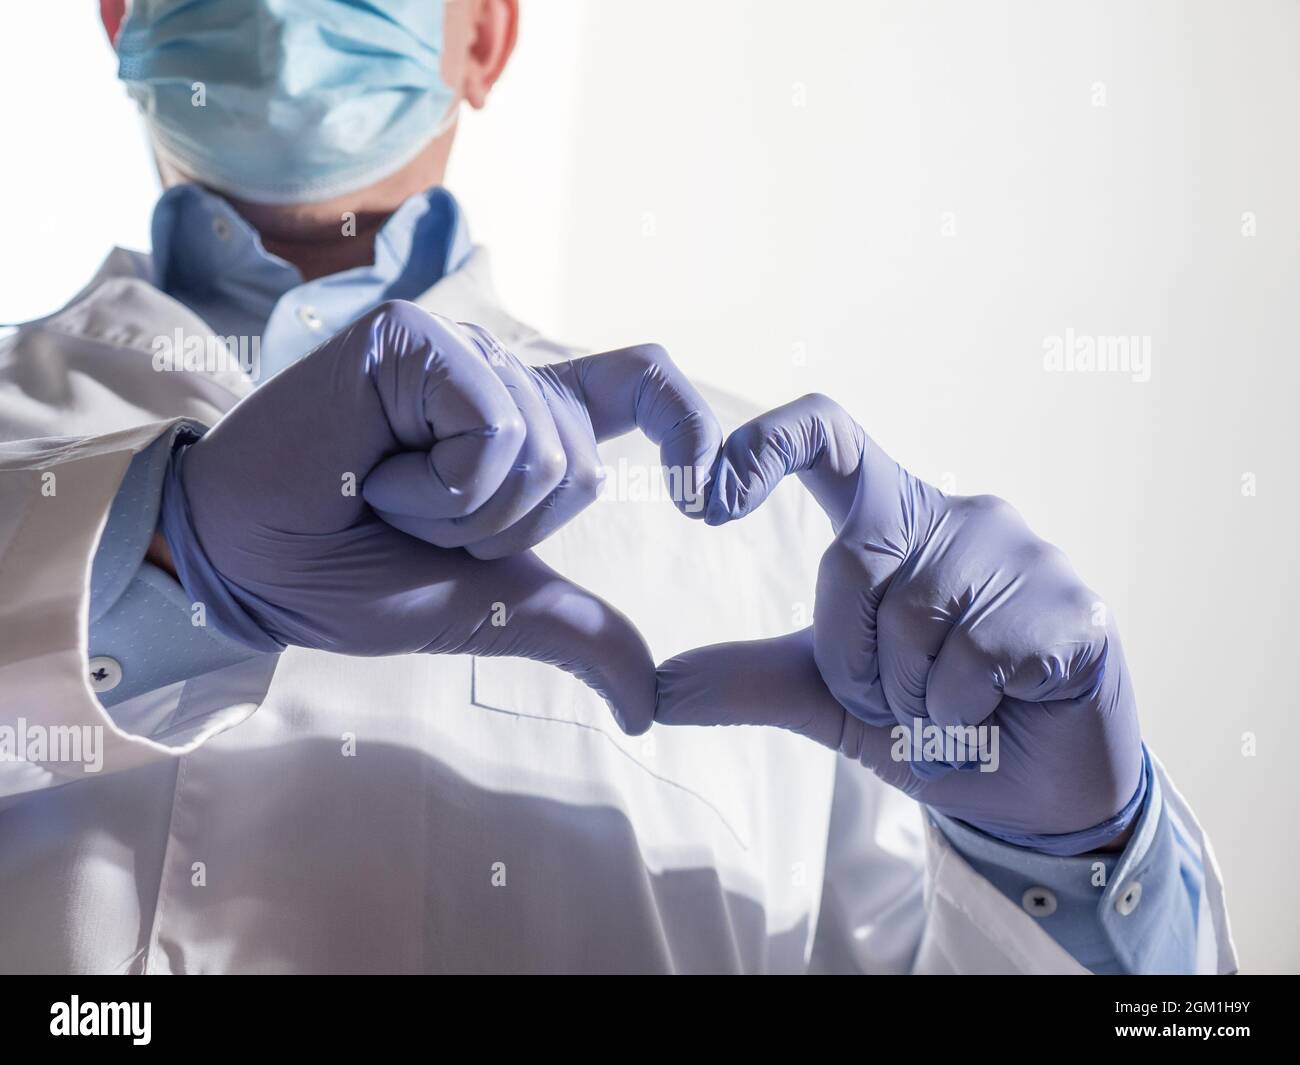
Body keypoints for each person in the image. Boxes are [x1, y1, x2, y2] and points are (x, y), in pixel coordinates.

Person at [0, 0, 1234, 974]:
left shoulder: (768, 531)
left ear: (483, 33)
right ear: (121, 17)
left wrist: (1074, 876)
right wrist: (161, 556)